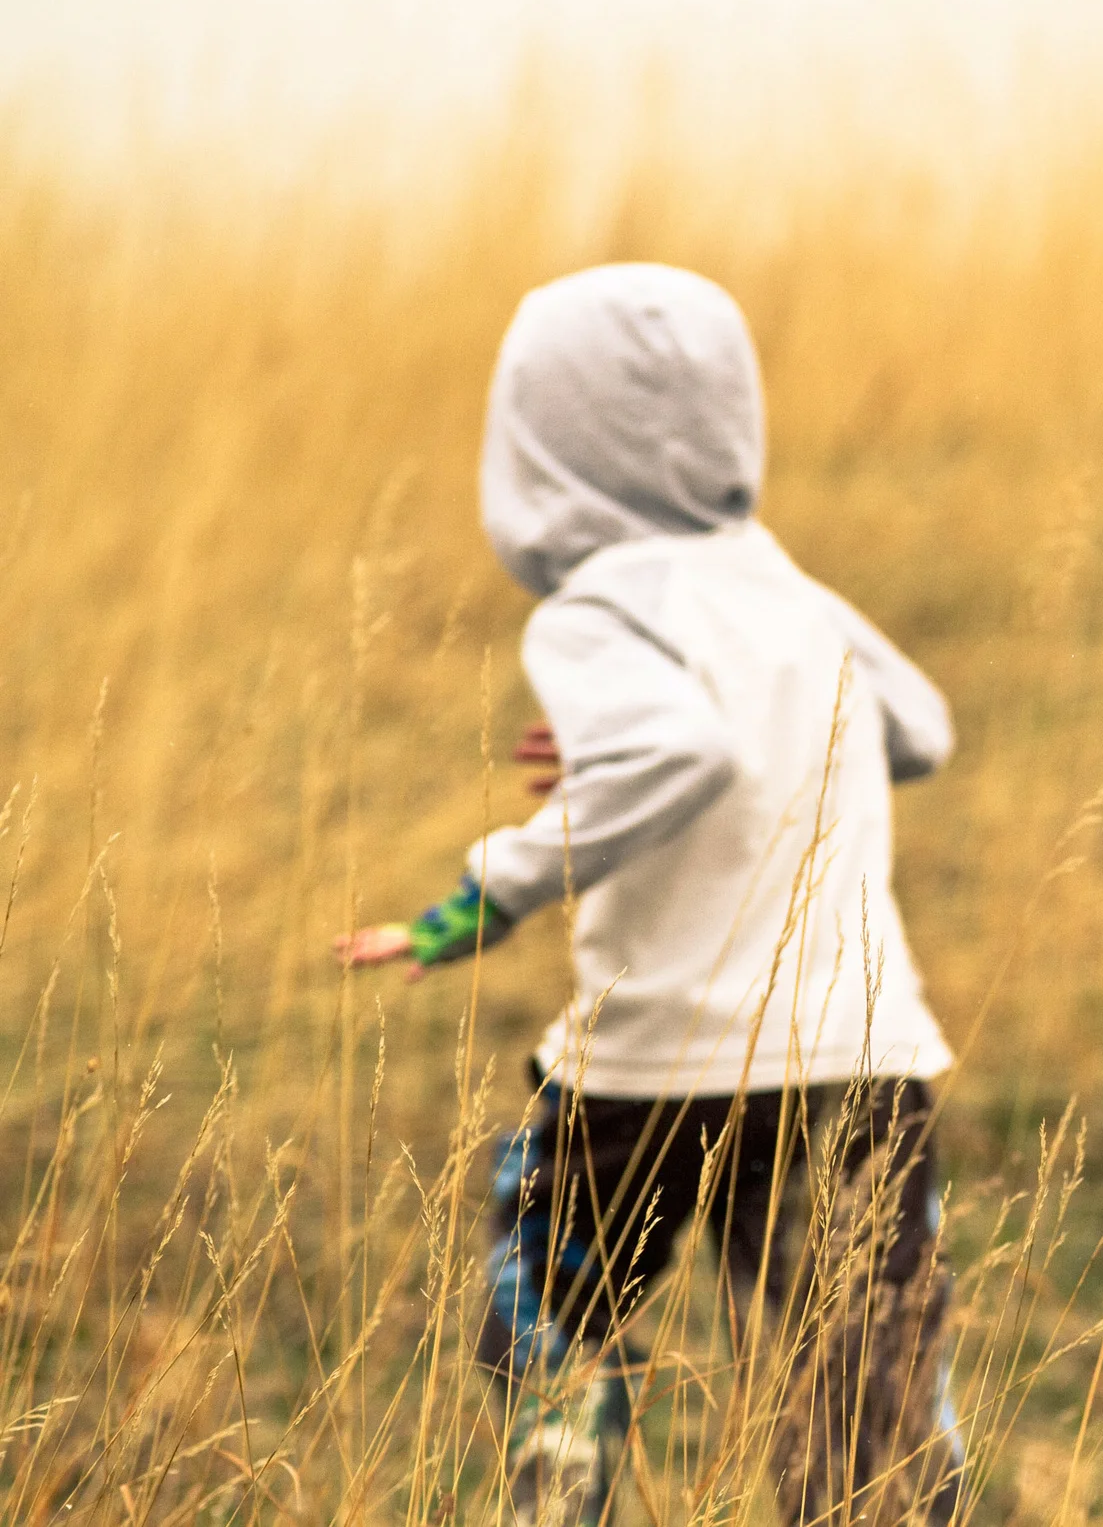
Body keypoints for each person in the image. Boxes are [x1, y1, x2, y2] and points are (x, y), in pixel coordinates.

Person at [338, 263, 963, 1527]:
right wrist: (739, 733)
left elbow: (681, 757)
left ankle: (555, 1509)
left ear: (539, 448)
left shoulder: (597, 604)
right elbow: (920, 727)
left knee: (550, 1325)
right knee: (866, 1386)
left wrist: (489, 891)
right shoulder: (787, 587)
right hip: (855, 1056)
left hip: (654, 1066)